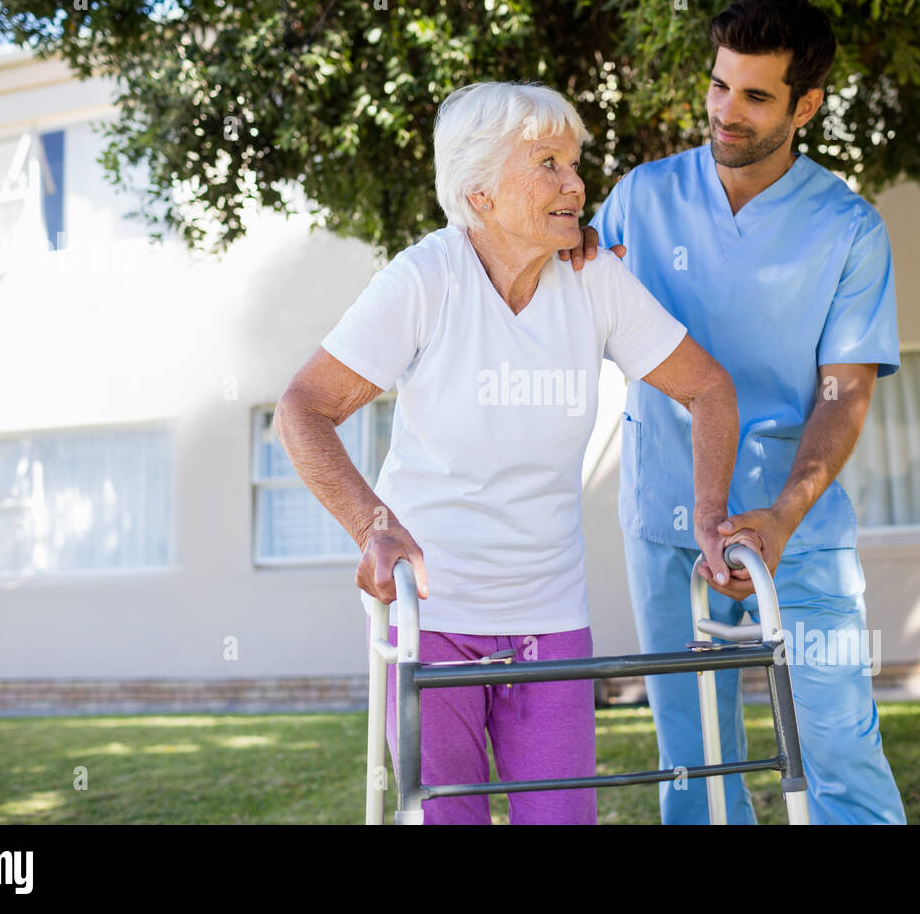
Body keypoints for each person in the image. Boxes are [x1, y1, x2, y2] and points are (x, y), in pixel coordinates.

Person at [273, 81, 740, 824]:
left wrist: (711, 516)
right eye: (548, 162)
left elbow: (710, 390)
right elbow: (303, 409)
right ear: (480, 193)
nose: (575, 182)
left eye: (575, 161)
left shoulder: (594, 280)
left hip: (551, 622)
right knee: (446, 818)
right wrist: (373, 525)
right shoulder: (427, 279)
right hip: (431, 618)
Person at [563, 0, 908, 824]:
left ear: (807, 105)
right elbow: (567, 299)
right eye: (720, 85)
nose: (726, 111)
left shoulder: (848, 230)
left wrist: (783, 516)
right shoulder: (641, 200)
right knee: (697, 762)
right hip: (666, 524)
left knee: (838, 745)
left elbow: (846, 393)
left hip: (801, 530)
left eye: (755, 96)